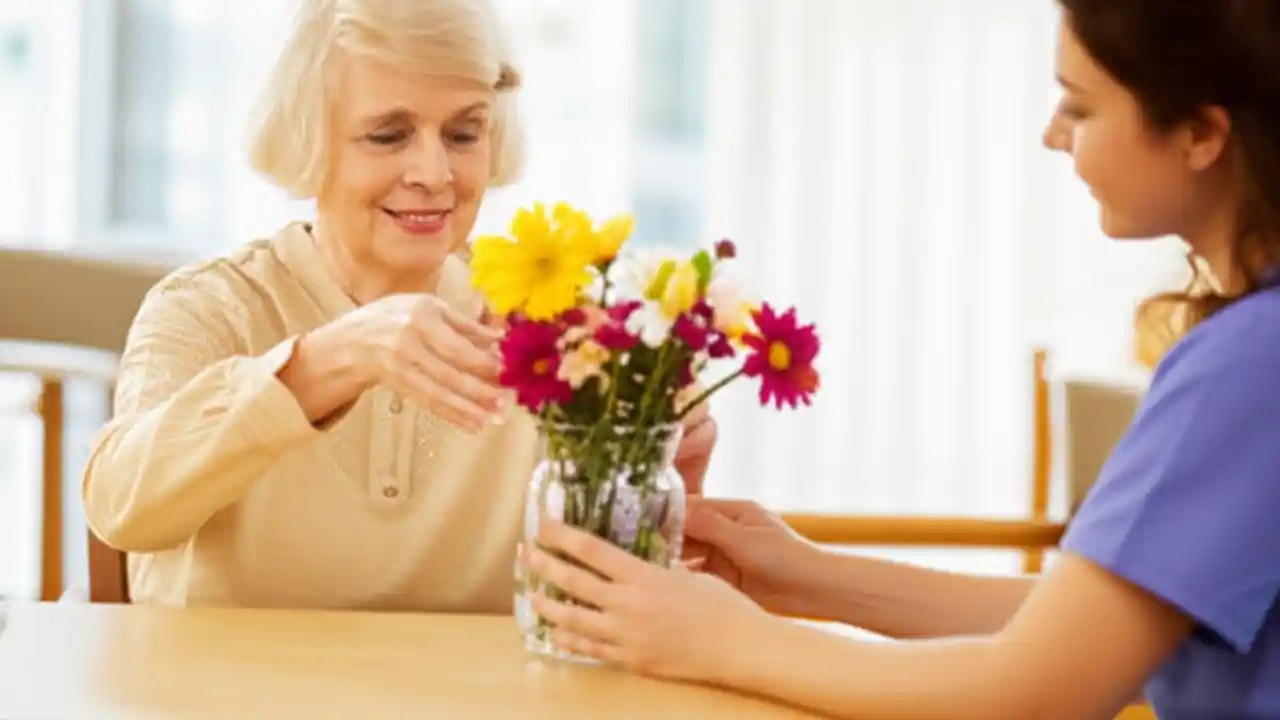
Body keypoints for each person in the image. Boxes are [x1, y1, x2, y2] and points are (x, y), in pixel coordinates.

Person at [521, 1, 1280, 717]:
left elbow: (1037, 693)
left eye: (1080, 107)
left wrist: (724, 640)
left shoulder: (1249, 361)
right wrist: (809, 577)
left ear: (1201, 134)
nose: (1053, 133)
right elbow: (1083, 630)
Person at [81, 0, 716, 611]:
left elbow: (608, 596)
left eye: (464, 133)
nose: (435, 173)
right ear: (309, 140)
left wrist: (665, 482)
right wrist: (330, 360)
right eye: (388, 135)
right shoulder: (210, 308)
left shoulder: (552, 327)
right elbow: (120, 505)